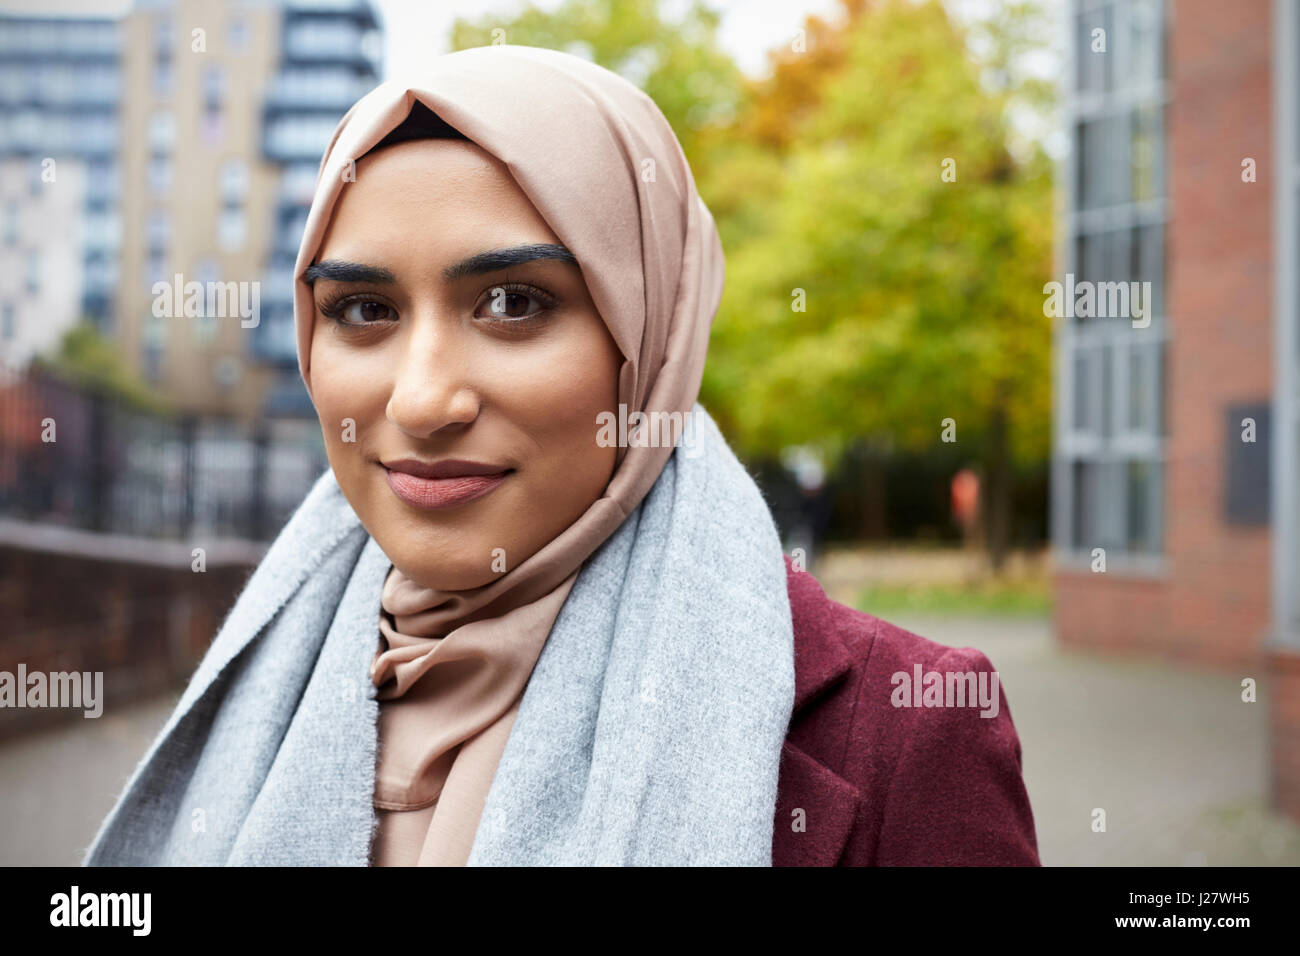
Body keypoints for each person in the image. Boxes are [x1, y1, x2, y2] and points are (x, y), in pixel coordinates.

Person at [83, 45, 1038, 867]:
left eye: (512, 303)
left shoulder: (907, 735)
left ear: (648, 333)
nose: (422, 399)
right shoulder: (263, 686)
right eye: (363, 310)